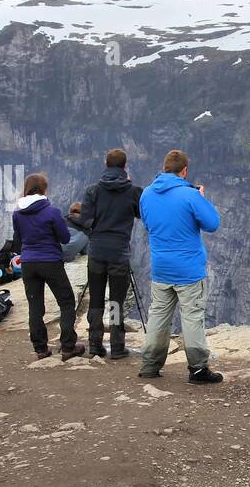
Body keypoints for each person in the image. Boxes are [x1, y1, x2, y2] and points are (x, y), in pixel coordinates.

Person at [137, 150, 221, 384]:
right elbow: (212, 224)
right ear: (184, 170)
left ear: (164, 168)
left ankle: (150, 365)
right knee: (192, 317)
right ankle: (197, 370)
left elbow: (147, 223)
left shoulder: (146, 194)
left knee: (159, 316)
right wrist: (201, 199)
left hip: (161, 267)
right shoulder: (189, 195)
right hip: (189, 270)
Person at [71, 148, 142, 359]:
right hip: (119, 252)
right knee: (116, 301)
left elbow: (85, 220)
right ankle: (117, 347)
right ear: (125, 165)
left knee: (96, 300)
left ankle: (95, 345)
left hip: (97, 252)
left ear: (105, 164)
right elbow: (140, 214)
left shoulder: (93, 191)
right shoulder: (133, 191)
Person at [12, 172, 85, 361]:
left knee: (35, 306)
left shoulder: (17, 213)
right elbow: (65, 238)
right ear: (44, 189)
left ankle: (41, 349)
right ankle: (68, 346)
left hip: (28, 263)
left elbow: (17, 240)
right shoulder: (52, 212)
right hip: (50, 261)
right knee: (66, 301)